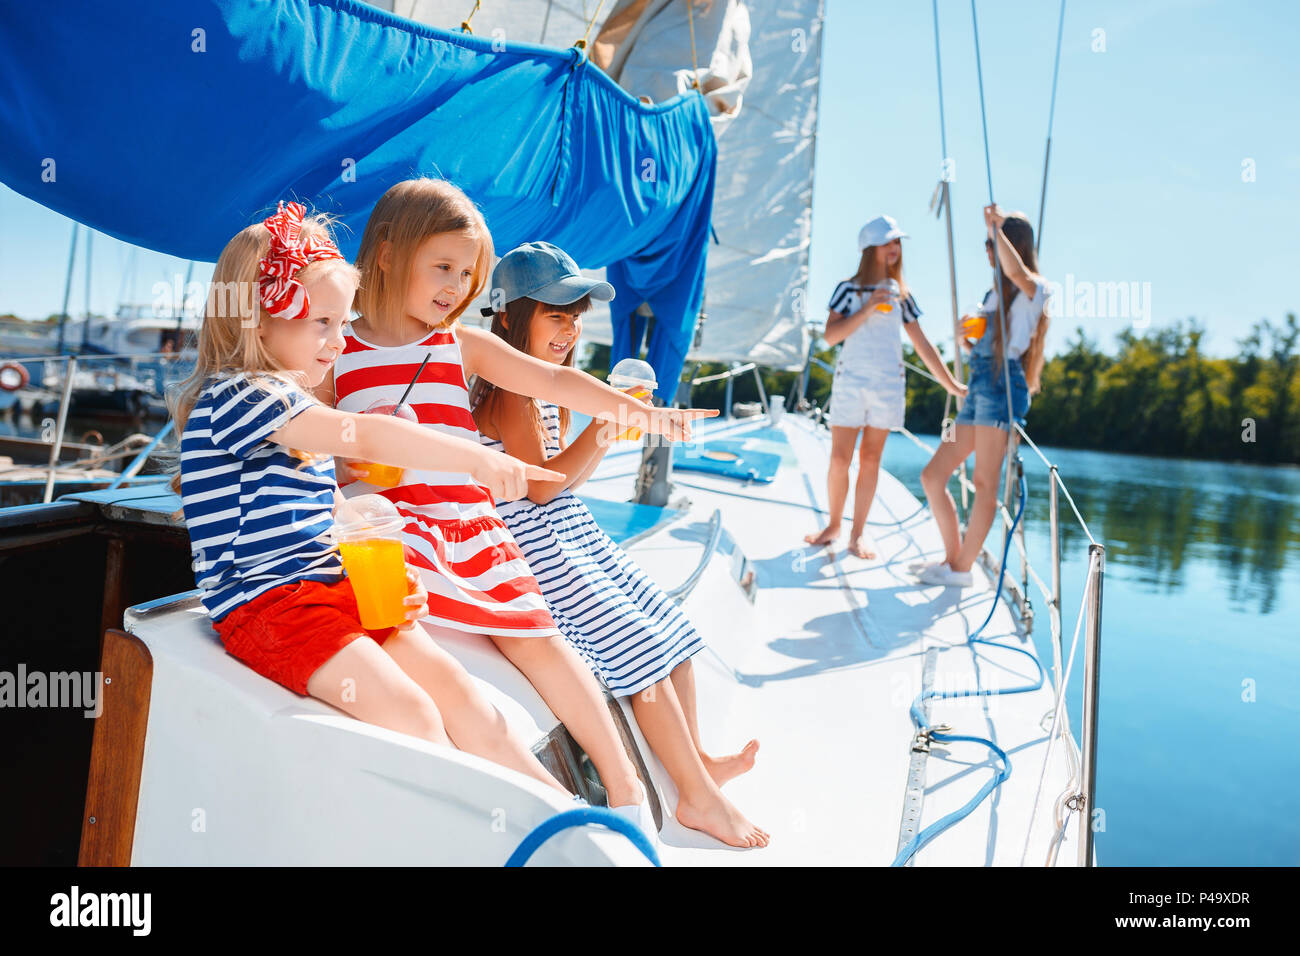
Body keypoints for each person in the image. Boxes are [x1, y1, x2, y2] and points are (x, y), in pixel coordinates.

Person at [320, 177, 715, 835]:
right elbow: (319, 441)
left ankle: (625, 792)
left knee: (540, 639)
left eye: (466, 272)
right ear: (386, 252)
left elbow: (553, 380)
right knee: (408, 623)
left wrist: (645, 415)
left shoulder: (458, 345)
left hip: (470, 525)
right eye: (441, 265)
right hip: (396, 527)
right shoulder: (340, 351)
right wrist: (344, 465)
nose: (454, 284)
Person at [168, 202, 568, 792]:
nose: (338, 341)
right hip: (271, 607)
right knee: (413, 715)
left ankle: (559, 817)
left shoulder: (288, 408)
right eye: (321, 324)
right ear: (257, 319)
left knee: (469, 702)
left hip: (331, 587)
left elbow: (324, 508)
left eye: (340, 321)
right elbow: (369, 433)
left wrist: (371, 555)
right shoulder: (244, 396)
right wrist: (479, 458)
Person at [470, 241, 769, 848]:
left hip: (564, 525)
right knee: (635, 648)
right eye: (556, 315)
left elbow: (563, 483)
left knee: (669, 625)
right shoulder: (511, 392)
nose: (569, 329)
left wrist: (601, 432)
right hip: (537, 543)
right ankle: (695, 797)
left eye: (576, 316)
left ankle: (699, 761)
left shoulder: (541, 389)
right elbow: (544, 489)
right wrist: (606, 428)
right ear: (508, 317)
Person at [805, 214, 965, 558]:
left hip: (887, 384)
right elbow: (831, 336)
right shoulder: (847, 289)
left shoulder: (902, 295)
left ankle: (857, 534)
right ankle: (834, 525)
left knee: (872, 459)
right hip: (851, 382)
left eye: (897, 243)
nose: (895, 248)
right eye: (888, 242)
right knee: (839, 458)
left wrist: (951, 384)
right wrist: (867, 307)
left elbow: (922, 344)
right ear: (870, 248)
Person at [915, 205, 1051, 587]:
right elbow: (985, 338)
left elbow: (1015, 272)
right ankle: (953, 559)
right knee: (933, 475)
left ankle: (960, 571)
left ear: (1014, 245)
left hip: (1001, 387)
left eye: (993, 243)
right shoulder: (993, 294)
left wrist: (995, 226)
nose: (988, 250)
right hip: (979, 388)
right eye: (987, 243)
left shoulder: (1035, 288)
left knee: (985, 482)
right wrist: (966, 339)